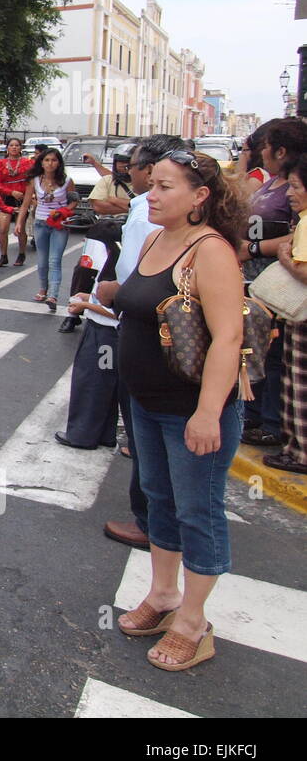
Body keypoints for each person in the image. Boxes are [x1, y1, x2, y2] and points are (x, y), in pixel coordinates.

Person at [113, 151, 246, 672]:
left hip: (189, 409)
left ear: (199, 197)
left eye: (166, 187)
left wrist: (209, 412)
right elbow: (144, 311)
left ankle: (194, 621)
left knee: (199, 511)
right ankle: (164, 594)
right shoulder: (152, 239)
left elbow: (228, 336)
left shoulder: (211, 251)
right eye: (154, 185)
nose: (152, 193)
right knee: (159, 500)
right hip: (145, 402)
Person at [96, 134, 180, 548]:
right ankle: (154, 519)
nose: (129, 170)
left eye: (165, 185)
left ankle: (152, 522)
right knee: (144, 432)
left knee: (149, 433)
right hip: (137, 327)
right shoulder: (147, 210)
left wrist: (113, 293)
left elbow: (146, 281)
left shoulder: (156, 215)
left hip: (149, 333)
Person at [238, 117, 307, 449]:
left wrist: (251, 250)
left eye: (264, 147)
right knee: (256, 349)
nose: (260, 153)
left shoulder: (294, 189)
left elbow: (295, 237)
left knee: (275, 354)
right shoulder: (272, 183)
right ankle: (252, 414)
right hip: (256, 280)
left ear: (280, 151)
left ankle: (271, 423)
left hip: (278, 282)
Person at [55, 220, 124, 449]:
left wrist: (85, 306)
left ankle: (82, 435)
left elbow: (118, 312)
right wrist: (87, 297)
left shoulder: (115, 266)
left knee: (92, 382)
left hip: (105, 333)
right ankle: (104, 433)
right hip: (105, 332)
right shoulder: (117, 261)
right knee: (106, 384)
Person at [266, 152, 307, 475]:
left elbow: (304, 270)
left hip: (301, 315)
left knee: (297, 383)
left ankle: (298, 451)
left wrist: (284, 257)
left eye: (295, 186)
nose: (289, 193)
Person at [18, 147, 78, 312]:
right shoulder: (35, 180)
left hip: (59, 225)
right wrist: (19, 223)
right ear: (41, 162)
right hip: (40, 223)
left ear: (59, 163)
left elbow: (74, 201)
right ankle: (43, 289)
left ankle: (53, 294)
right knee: (42, 261)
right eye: (47, 160)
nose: (50, 163)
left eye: (54, 160)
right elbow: (25, 203)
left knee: (54, 260)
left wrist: (62, 211)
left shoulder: (66, 181)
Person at [0, 138, 32, 266]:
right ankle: (3, 255)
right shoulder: (1, 162)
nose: (14, 148)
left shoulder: (27, 163)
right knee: (3, 228)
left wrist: (26, 195)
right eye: (11, 145)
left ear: (20, 148)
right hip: (6, 197)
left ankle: (21, 254)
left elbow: (30, 181)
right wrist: (11, 192)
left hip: (22, 197)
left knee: (20, 228)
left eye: (16, 145)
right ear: (7, 148)